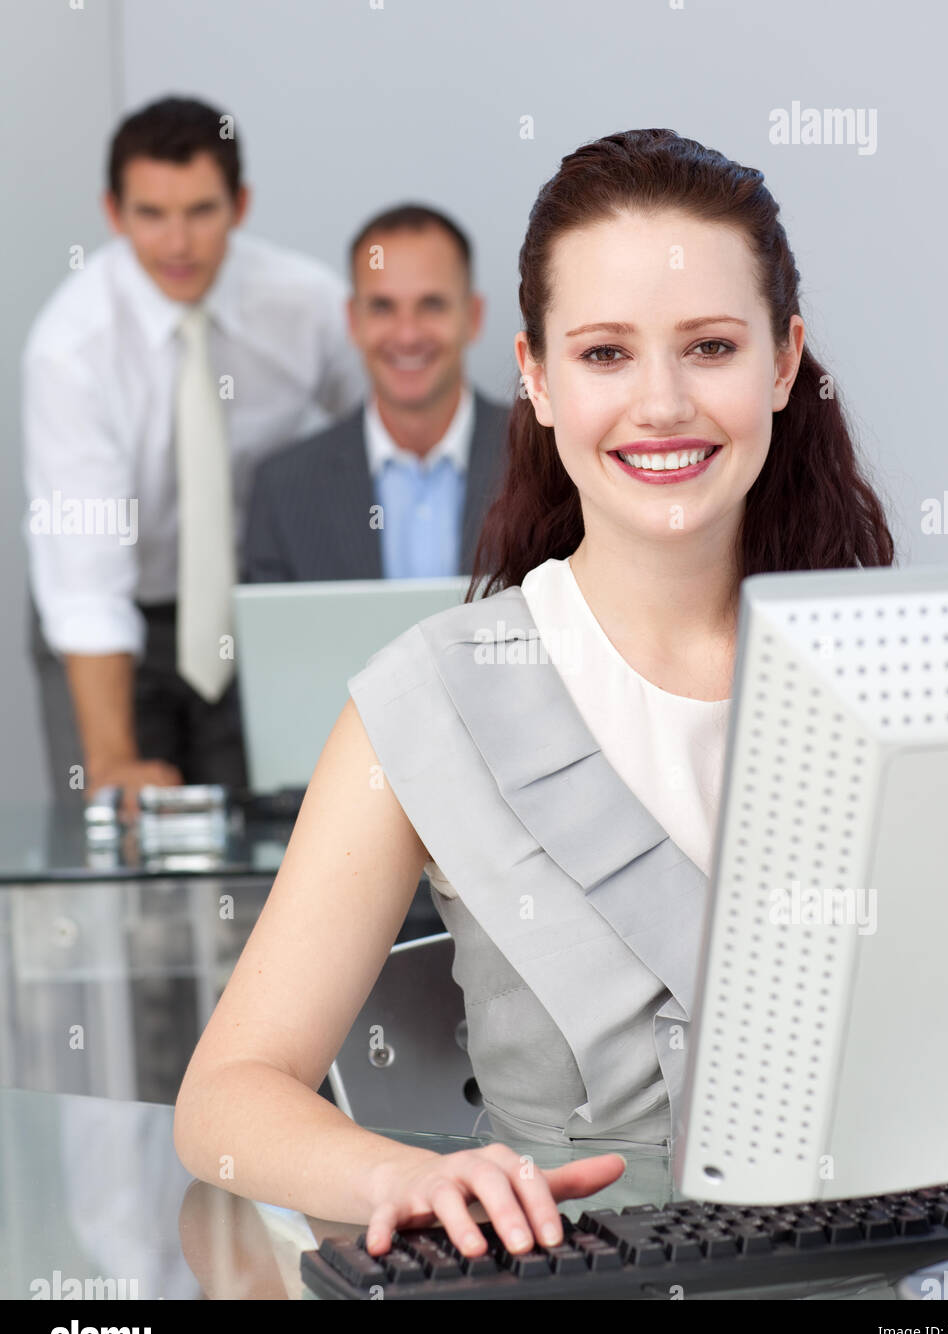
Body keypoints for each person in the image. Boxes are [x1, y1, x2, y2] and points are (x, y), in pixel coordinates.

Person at [174, 130, 895, 1264]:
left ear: (784, 358)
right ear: (536, 375)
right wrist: (404, 1172)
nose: (662, 403)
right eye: (606, 354)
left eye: (709, 346)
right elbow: (222, 1100)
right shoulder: (430, 697)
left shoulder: (905, 676)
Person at [22, 96, 362, 816]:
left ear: (240, 204)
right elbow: (87, 585)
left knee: (272, 828)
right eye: (150, 214)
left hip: (249, 615)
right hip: (117, 623)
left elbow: (378, 430)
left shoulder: (304, 306)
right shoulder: (70, 349)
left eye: (201, 211)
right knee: (125, 838)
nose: (177, 243)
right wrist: (113, 760)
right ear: (112, 214)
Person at [244, 204, 509, 584]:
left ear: (474, 317)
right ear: (353, 321)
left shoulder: (551, 461)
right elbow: (273, 641)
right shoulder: (283, 489)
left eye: (431, 305)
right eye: (382, 307)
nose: (407, 335)